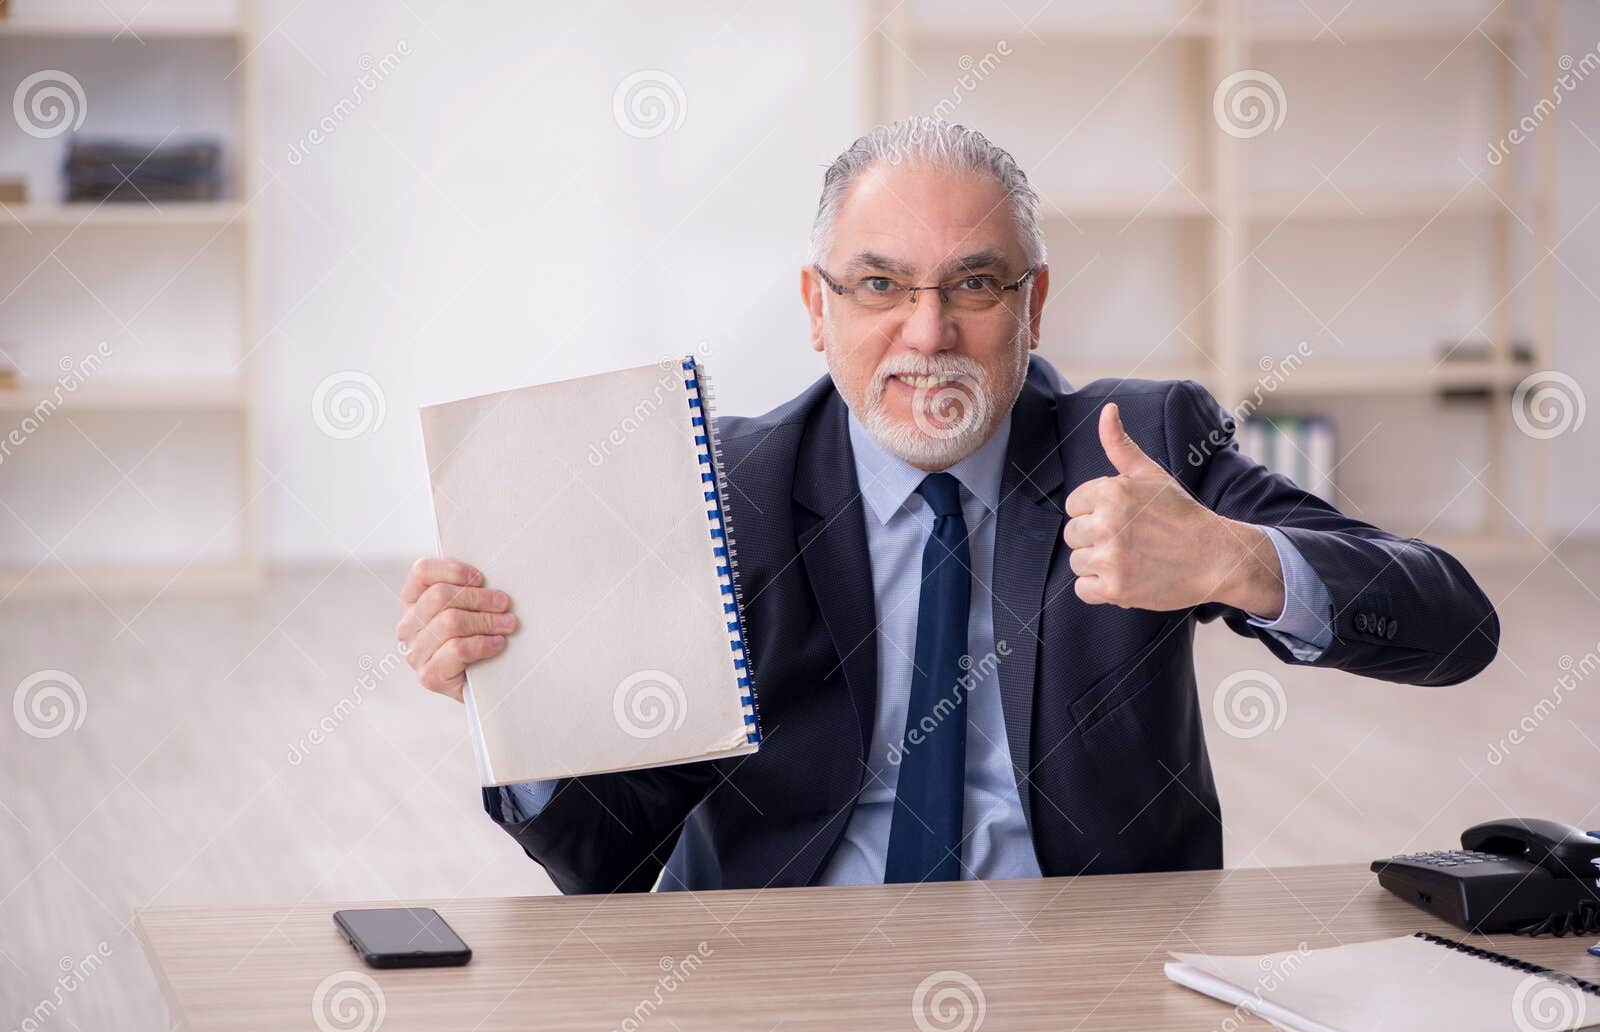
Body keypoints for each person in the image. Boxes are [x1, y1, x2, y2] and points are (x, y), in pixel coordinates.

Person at [396, 118, 1499, 894]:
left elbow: (1456, 628)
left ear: (1035, 305)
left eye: (973, 284)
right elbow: (604, 859)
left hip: (1085, 978)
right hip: (785, 976)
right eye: (878, 286)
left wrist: (1240, 561)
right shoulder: (719, 488)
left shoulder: (1142, 448)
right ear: (814, 311)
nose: (928, 334)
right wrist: (525, 709)